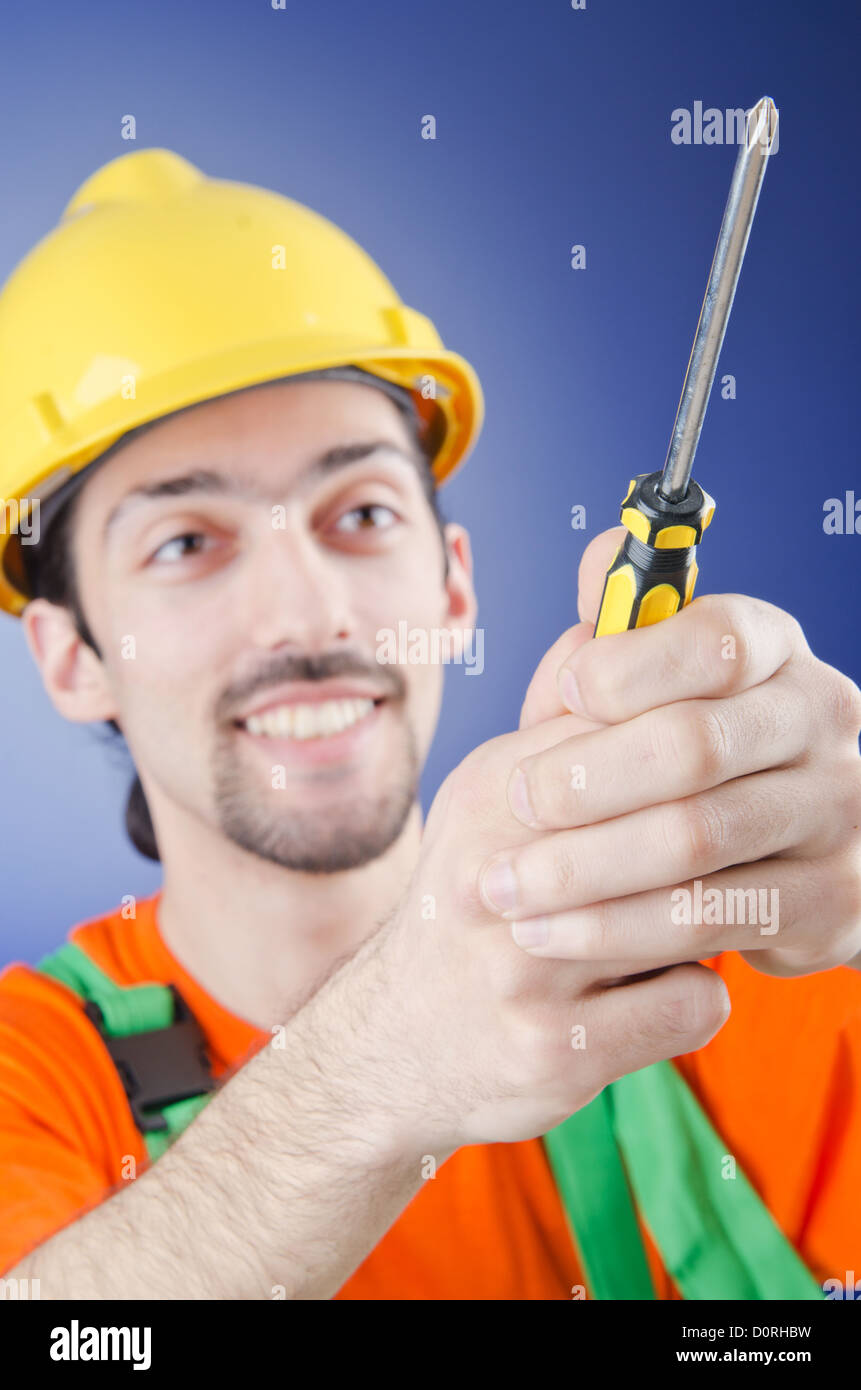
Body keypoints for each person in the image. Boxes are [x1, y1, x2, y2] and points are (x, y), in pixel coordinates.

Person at [0, 149, 859, 1301]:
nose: (309, 607)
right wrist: (387, 1057)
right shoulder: (29, 1075)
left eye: (359, 511)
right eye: (186, 542)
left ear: (453, 584)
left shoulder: (728, 962)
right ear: (70, 655)